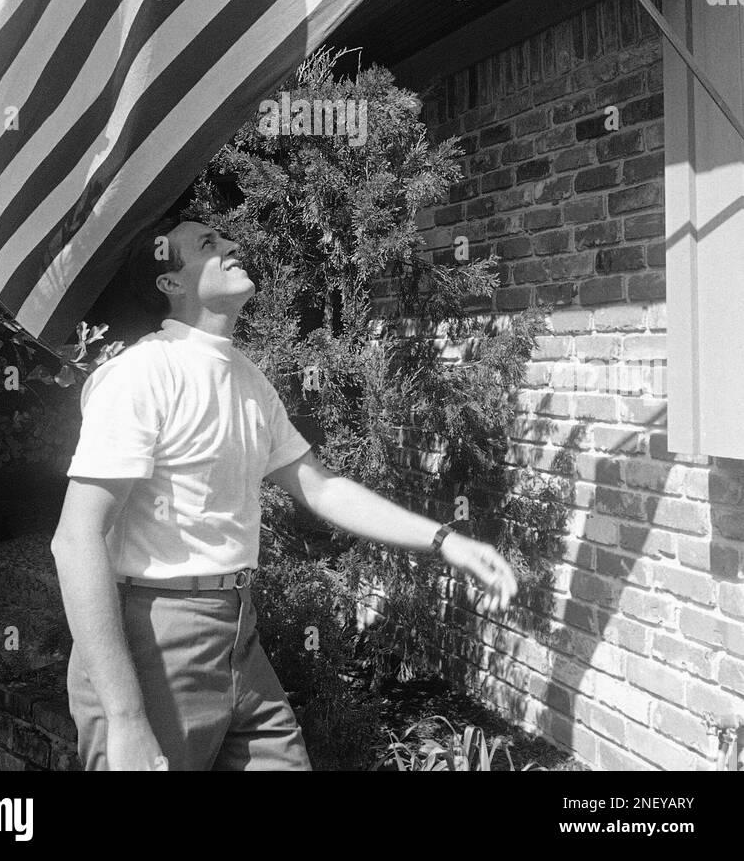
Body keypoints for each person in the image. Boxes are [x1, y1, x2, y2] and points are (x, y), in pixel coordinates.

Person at [51, 211, 518, 772]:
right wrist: (125, 719)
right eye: (208, 242)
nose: (231, 242)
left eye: (223, 233)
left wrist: (447, 541)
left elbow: (321, 489)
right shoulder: (141, 375)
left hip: (238, 636)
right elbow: (77, 540)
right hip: (152, 639)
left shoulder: (247, 378)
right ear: (169, 282)